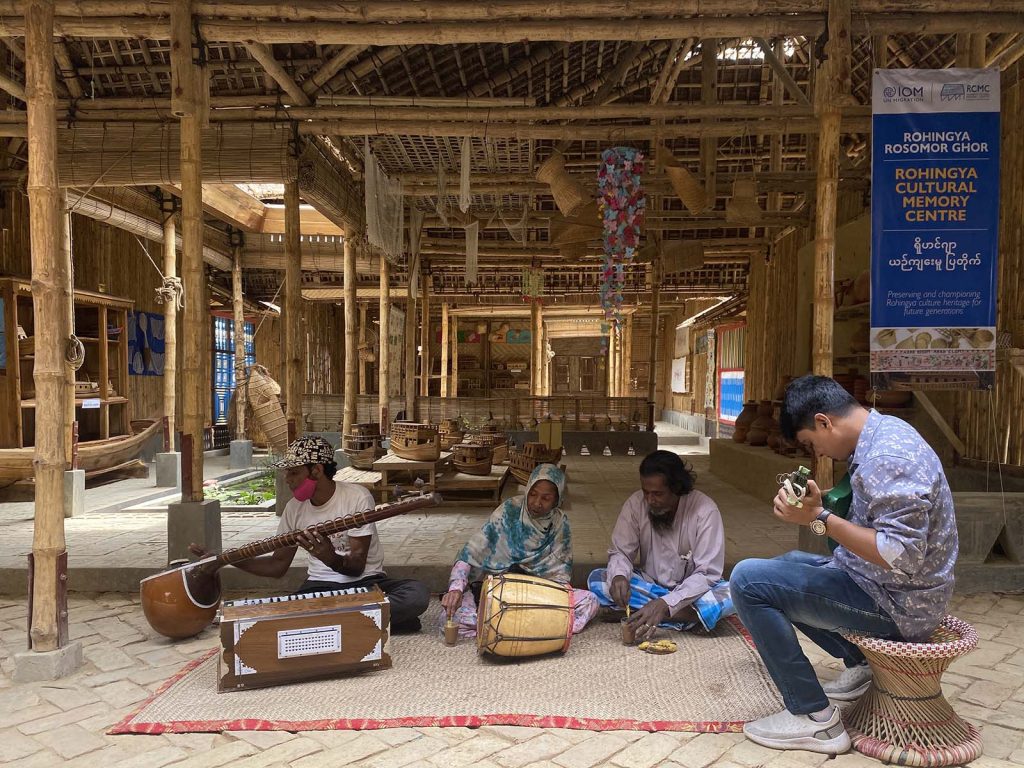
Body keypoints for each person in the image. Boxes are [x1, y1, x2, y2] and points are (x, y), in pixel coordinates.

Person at [731, 375, 958, 755]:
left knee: (748, 581)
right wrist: (821, 508)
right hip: (888, 587)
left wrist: (818, 518)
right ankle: (861, 663)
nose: (817, 452)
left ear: (824, 422)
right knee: (786, 566)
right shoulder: (884, 431)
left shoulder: (887, 459)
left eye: (811, 442)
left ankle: (813, 719)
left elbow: (897, 553)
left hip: (899, 605)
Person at [190, 435, 429, 633]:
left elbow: (356, 567)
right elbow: (277, 566)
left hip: (367, 584)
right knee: (287, 609)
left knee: (416, 595)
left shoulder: (356, 496)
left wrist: (329, 556)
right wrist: (225, 560)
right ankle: (367, 621)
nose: (287, 480)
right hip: (319, 588)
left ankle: (331, 621)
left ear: (316, 470)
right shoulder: (294, 509)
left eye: (293, 472)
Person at [588, 450, 734, 640]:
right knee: (599, 579)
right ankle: (688, 619)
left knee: (732, 593)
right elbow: (621, 552)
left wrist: (666, 603)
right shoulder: (636, 504)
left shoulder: (705, 510)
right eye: (646, 492)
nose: (650, 500)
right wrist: (619, 577)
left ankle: (651, 613)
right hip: (651, 585)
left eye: (658, 494)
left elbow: (707, 574)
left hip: (691, 593)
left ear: (677, 488)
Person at [440, 463, 598, 637]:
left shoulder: (560, 523)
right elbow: (471, 552)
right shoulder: (510, 511)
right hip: (495, 593)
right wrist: (455, 589)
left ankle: (502, 628)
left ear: (557, 500)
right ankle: (536, 630)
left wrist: (548, 599)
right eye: (533, 494)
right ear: (527, 489)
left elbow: (559, 576)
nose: (537, 503)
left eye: (546, 498)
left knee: (590, 601)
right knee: (451, 616)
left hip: (534, 596)